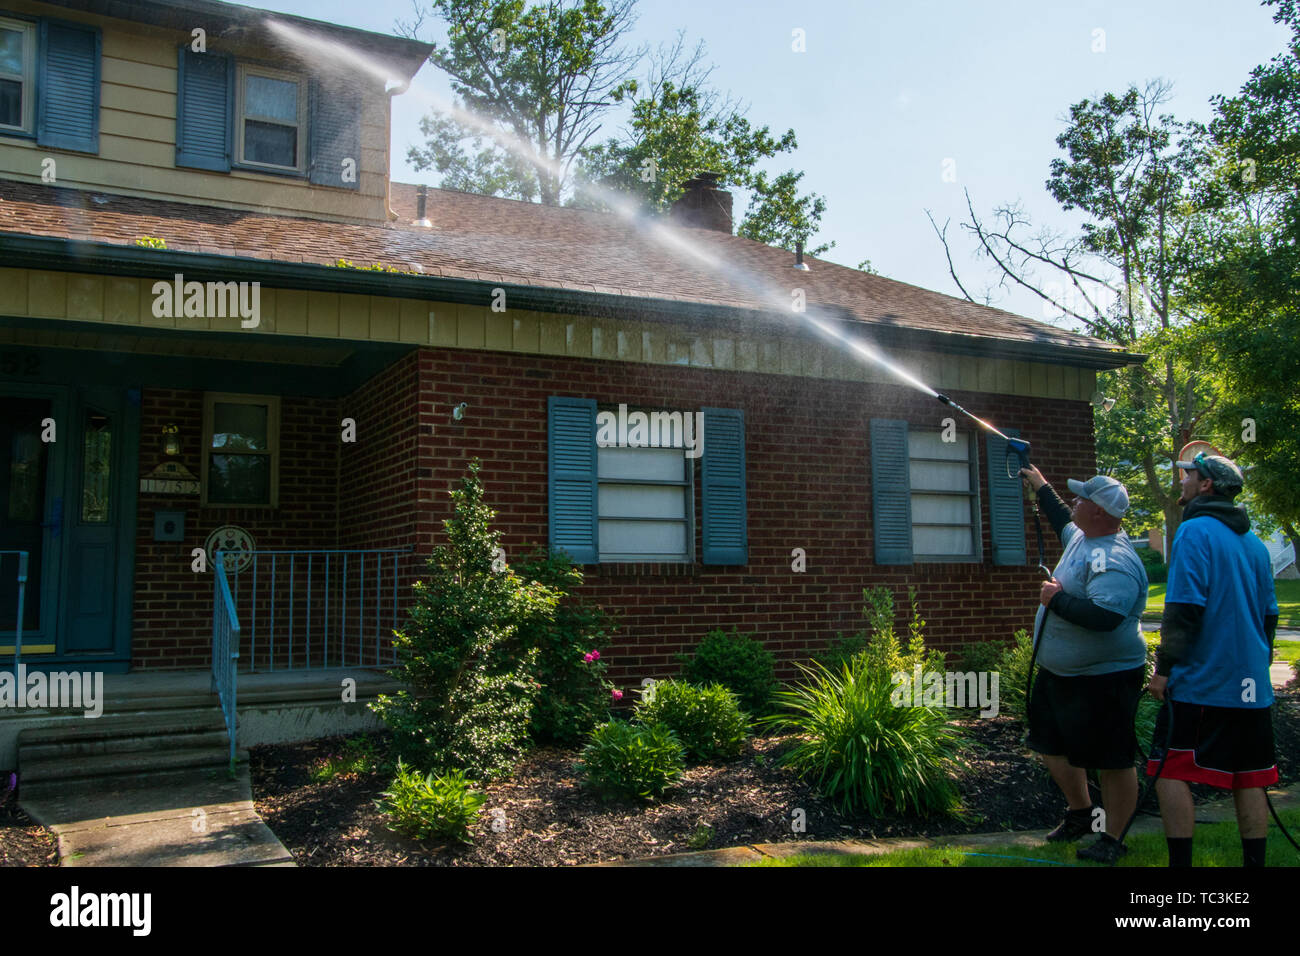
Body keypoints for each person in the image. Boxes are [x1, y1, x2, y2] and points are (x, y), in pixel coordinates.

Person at [1146, 452, 1279, 867]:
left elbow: (1184, 608)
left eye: (1188, 475)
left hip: (1203, 682)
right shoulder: (1254, 544)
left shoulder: (1194, 531)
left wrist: (1163, 670)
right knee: (1250, 777)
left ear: (1205, 485)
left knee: (1168, 769)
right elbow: (1269, 617)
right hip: (1252, 686)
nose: (1182, 481)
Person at [1019, 466, 1149, 864]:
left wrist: (1055, 600)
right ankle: (1081, 813)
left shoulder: (1113, 560)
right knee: (1051, 745)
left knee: (1112, 759)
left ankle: (1113, 838)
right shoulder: (1082, 536)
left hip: (1105, 680)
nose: (1075, 502)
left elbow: (1105, 619)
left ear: (1099, 513)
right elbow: (1062, 516)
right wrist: (1040, 485)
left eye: (1083, 499)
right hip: (1060, 674)